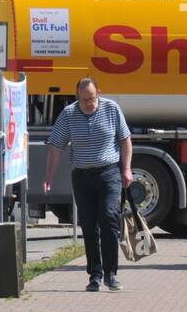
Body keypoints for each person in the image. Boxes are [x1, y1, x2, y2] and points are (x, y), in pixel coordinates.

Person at [42, 77, 133, 292]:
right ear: (77, 98)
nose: (88, 104)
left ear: (98, 93)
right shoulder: (69, 114)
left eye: (91, 99)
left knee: (109, 216)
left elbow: (125, 140)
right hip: (82, 177)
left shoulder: (111, 109)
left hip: (109, 173)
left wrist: (127, 168)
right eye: (83, 100)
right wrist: (49, 176)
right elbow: (56, 146)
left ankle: (112, 274)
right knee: (89, 225)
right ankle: (95, 275)